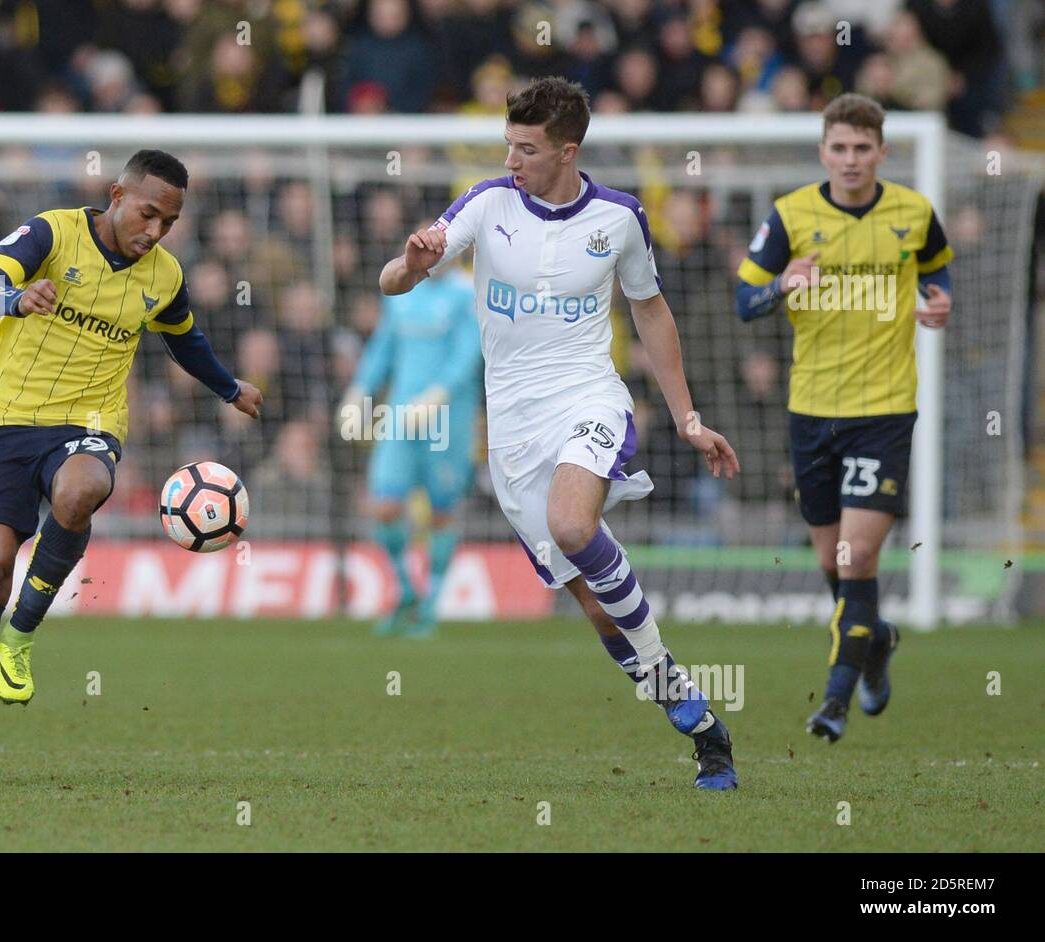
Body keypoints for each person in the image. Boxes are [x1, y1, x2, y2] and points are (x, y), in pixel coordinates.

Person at [379, 76, 740, 790]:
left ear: (567, 150)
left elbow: (651, 313)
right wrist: (411, 265)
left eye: (527, 148)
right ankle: (696, 717)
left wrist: (687, 418)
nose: (512, 160)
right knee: (597, 608)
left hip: (588, 397)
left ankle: (684, 699)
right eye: (508, 145)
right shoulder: (486, 204)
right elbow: (394, 280)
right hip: (511, 430)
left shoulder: (619, 218)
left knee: (574, 525)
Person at [0, 150, 263, 786]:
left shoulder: (163, 275)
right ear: (117, 194)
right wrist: (15, 295)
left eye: (168, 222)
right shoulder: (50, 233)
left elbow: (183, 338)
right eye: (147, 214)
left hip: (89, 423)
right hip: (5, 423)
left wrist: (229, 388)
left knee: (83, 486)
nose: (155, 232)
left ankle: (22, 634)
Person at [735, 93, 953, 743]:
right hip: (811, 414)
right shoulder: (791, 216)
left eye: (863, 149)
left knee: (856, 559)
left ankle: (833, 701)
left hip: (884, 412)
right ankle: (875, 642)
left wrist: (938, 306)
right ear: (823, 152)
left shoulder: (914, 214)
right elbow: (745, 300)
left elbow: (939, 275)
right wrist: (782, 286)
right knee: (835, 562)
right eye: (840, 148)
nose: (852, 160)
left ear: (882, 153)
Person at [338, 263, 480, 638]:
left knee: (442, 511)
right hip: (401, 417)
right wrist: (360, 391)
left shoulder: (466, 294)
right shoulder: (401, 296)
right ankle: (404, 590)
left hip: (447, 422)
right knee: (385, 504)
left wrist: (440, 393)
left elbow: (469, 354)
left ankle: (430, 604)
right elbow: (382, 350)